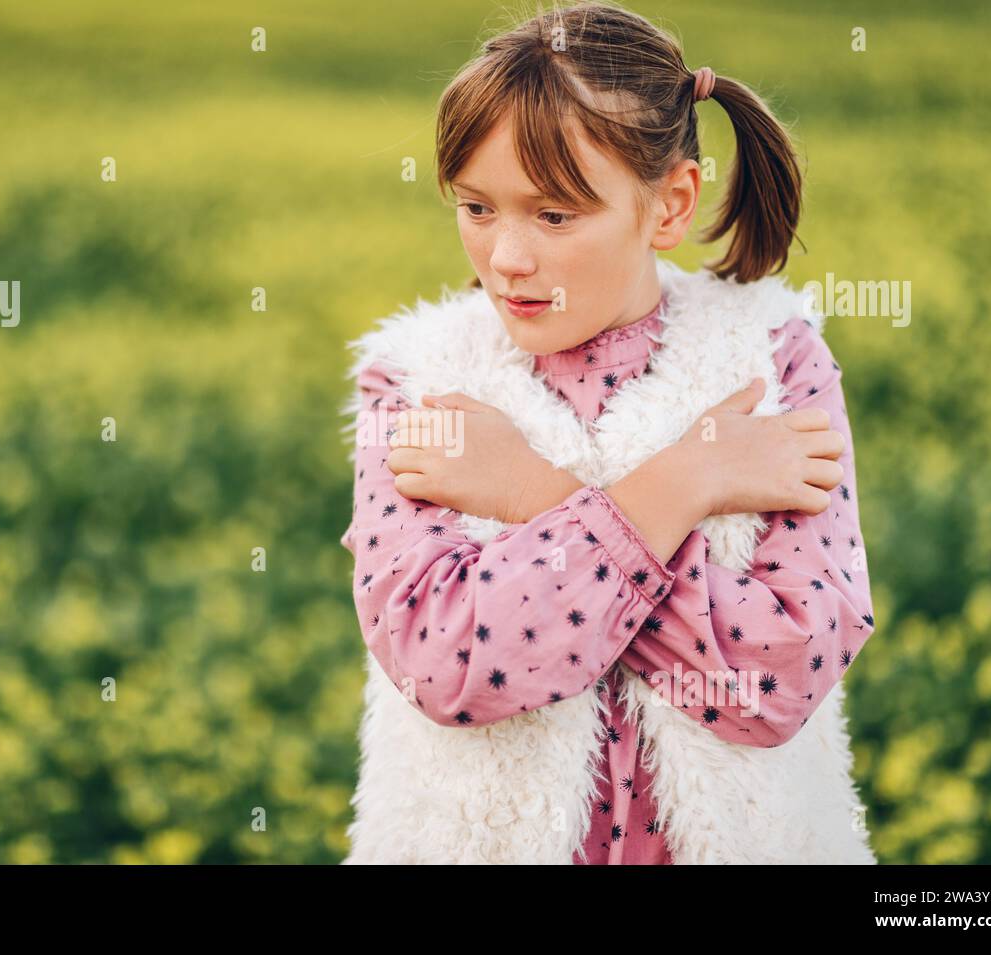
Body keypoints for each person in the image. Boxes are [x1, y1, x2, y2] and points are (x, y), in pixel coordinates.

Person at [339, 2, 876, 864]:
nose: (507, 258)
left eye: (554, 215)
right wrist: (683, 482)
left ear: (668, 205)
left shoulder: (773, 362)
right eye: (476, 207)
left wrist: (533, 499)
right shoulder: (415, 383)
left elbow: (781, 677)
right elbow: (443, 660)